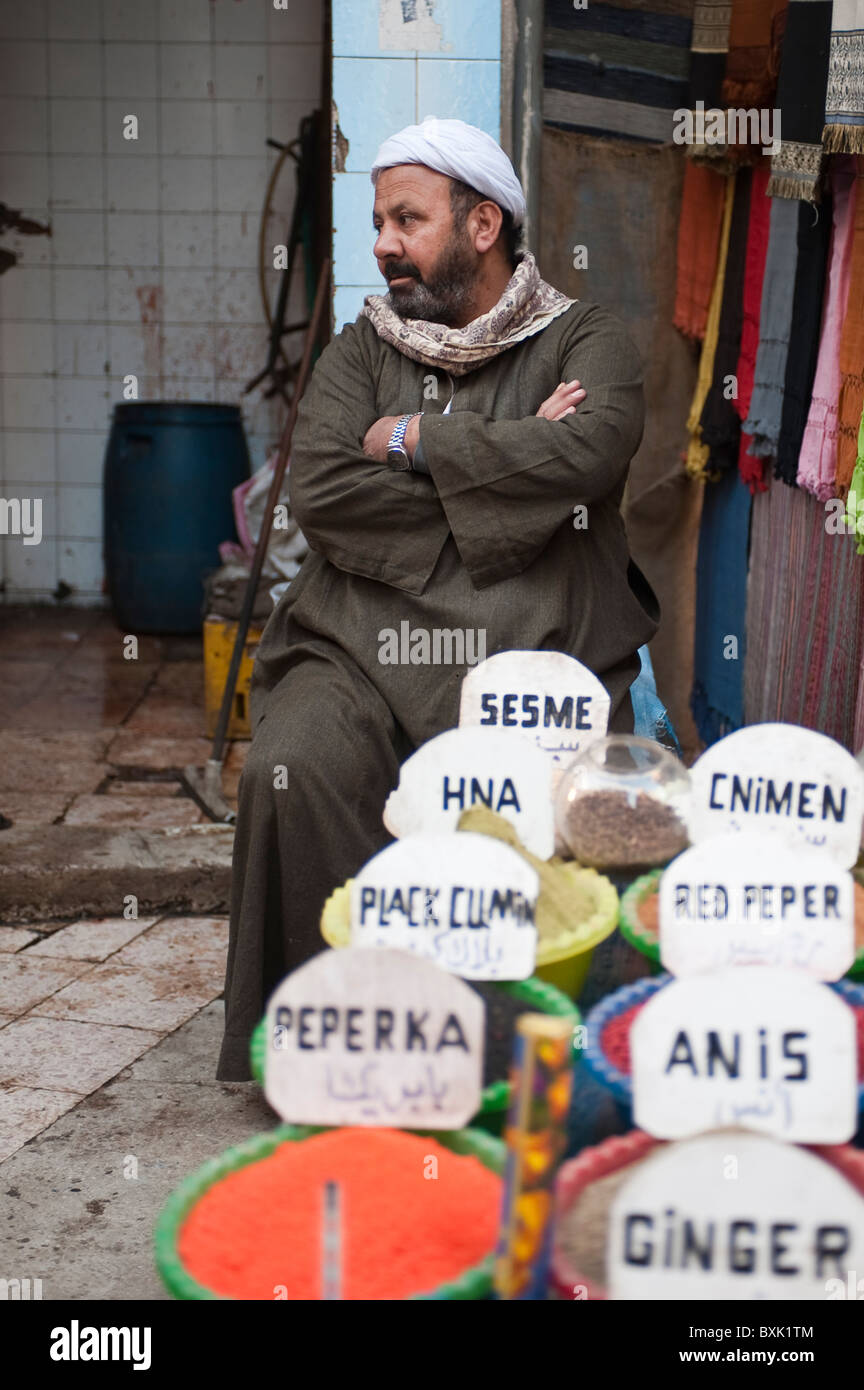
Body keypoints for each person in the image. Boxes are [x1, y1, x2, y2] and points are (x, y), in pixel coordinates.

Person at [217, 118, 659, 1079]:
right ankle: (330, 1049)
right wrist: (511, 476)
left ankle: (517, 1053)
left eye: (406, 219)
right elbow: (323, 490)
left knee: (575, 808)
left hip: (541, 654)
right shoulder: (360, 345)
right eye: (379, 219)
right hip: (358, 653)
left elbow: (587, 454)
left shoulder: (588, 340)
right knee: (289, 765)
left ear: (483, 223)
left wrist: (411, 438)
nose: (382, 242)